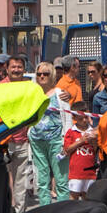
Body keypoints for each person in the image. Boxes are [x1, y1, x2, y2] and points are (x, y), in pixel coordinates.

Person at [28, 62, 69, 205]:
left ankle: (63, 210)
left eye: (46, 74)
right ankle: (44, 210)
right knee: (42, 180)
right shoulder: (33, 95)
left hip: (57, 141)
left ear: (52, 75)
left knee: (61, 180)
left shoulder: (60, 94)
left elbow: (68, 117)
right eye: (39, 74)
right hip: (37, 141)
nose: (42, 77)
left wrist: (67, 141)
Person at [1, 55, 37, 213]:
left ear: (24, 69)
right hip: (3, 142)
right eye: (13, 67)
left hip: (22, 141)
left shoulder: (29, 87)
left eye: (19, 67)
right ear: (7, 69)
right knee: (1, 181)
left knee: (21, 181)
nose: (16, 70)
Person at [63, 108, 99, 200]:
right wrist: (81, 141)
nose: (84, 120)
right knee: (73, 197)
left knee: (88, 197)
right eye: (80, 118)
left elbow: (96, 151)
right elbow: (67, 150)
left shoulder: (94, 131)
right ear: (74, 117)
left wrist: (94, 142)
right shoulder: (71, 132)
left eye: (86, 117)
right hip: (76, 172)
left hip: (90, 172)